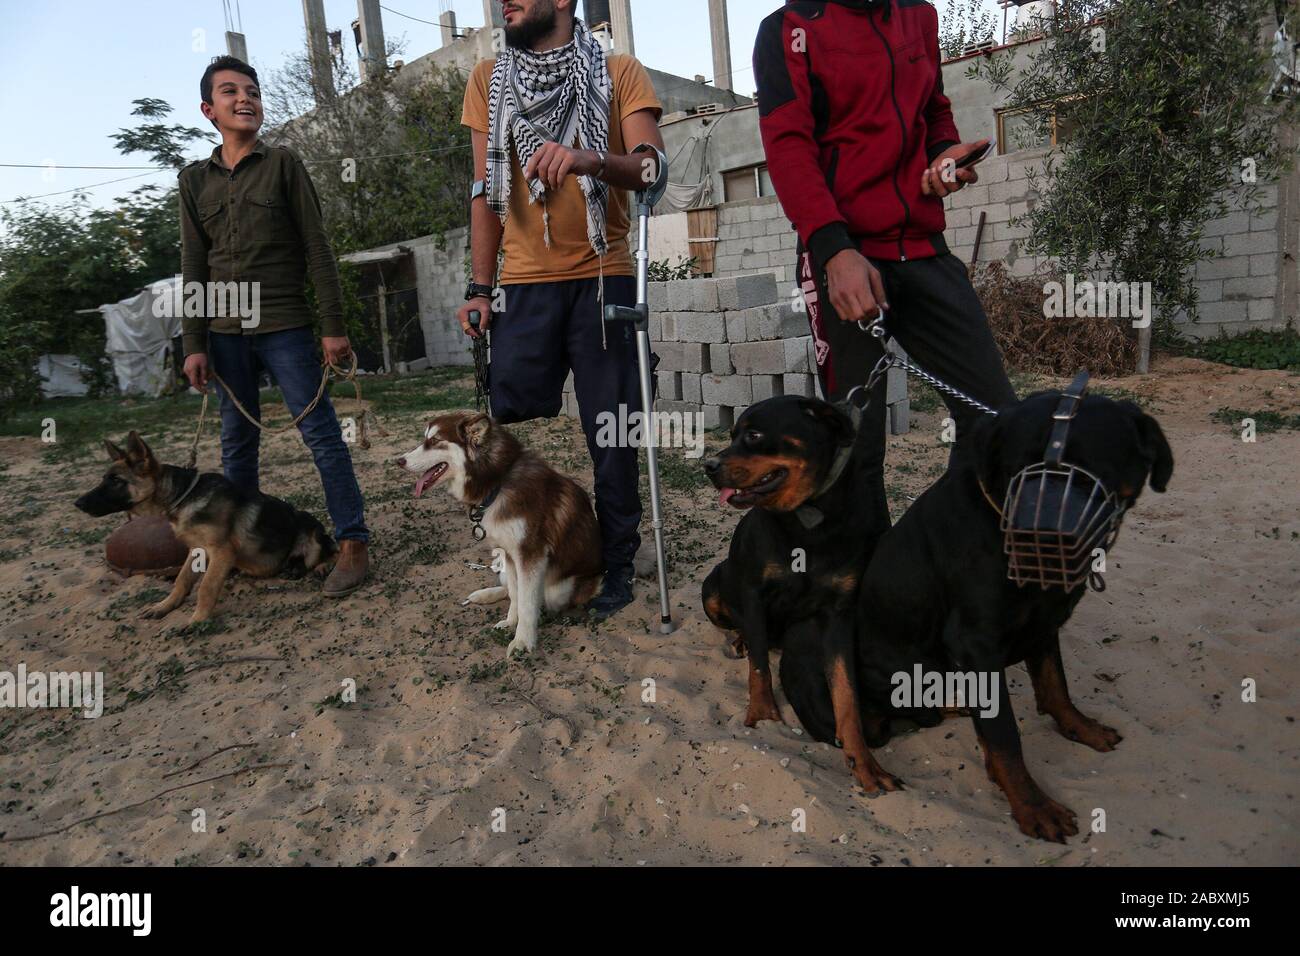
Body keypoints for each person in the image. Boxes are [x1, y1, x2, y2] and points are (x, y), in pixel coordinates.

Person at [754, 0, 1018, 533]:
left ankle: (949, 556)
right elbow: (788, 149)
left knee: (995, 420)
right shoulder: (788, 29)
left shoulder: (918, 15)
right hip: (847, 255)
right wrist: (834, 251)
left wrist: (944, 155)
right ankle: (865, 595)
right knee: (855, 445)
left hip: (924, 248)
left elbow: (934, 109)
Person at [459, 0, 664, 618]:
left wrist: (587, 158)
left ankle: (619, 561)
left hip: (605, 279)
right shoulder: (488, 81)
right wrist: (478, 285)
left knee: (614, 429)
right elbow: (483, 191)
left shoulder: (621, 71)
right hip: (523, 284)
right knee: (508, 414)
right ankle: (526, 540)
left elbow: (651, 169)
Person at [178, 55, 370, 597]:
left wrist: (333, 326)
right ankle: (239, 547)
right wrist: (194, 343)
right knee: (237, 443)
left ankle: (353, 543)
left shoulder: (283, 164)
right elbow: (194, 264)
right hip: (222, 331)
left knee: (321, 435)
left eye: (253, 91)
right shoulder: (193, 182)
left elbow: (317, 246)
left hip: (284, 322)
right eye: (230, 91)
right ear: (208, 110)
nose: (246, 98)